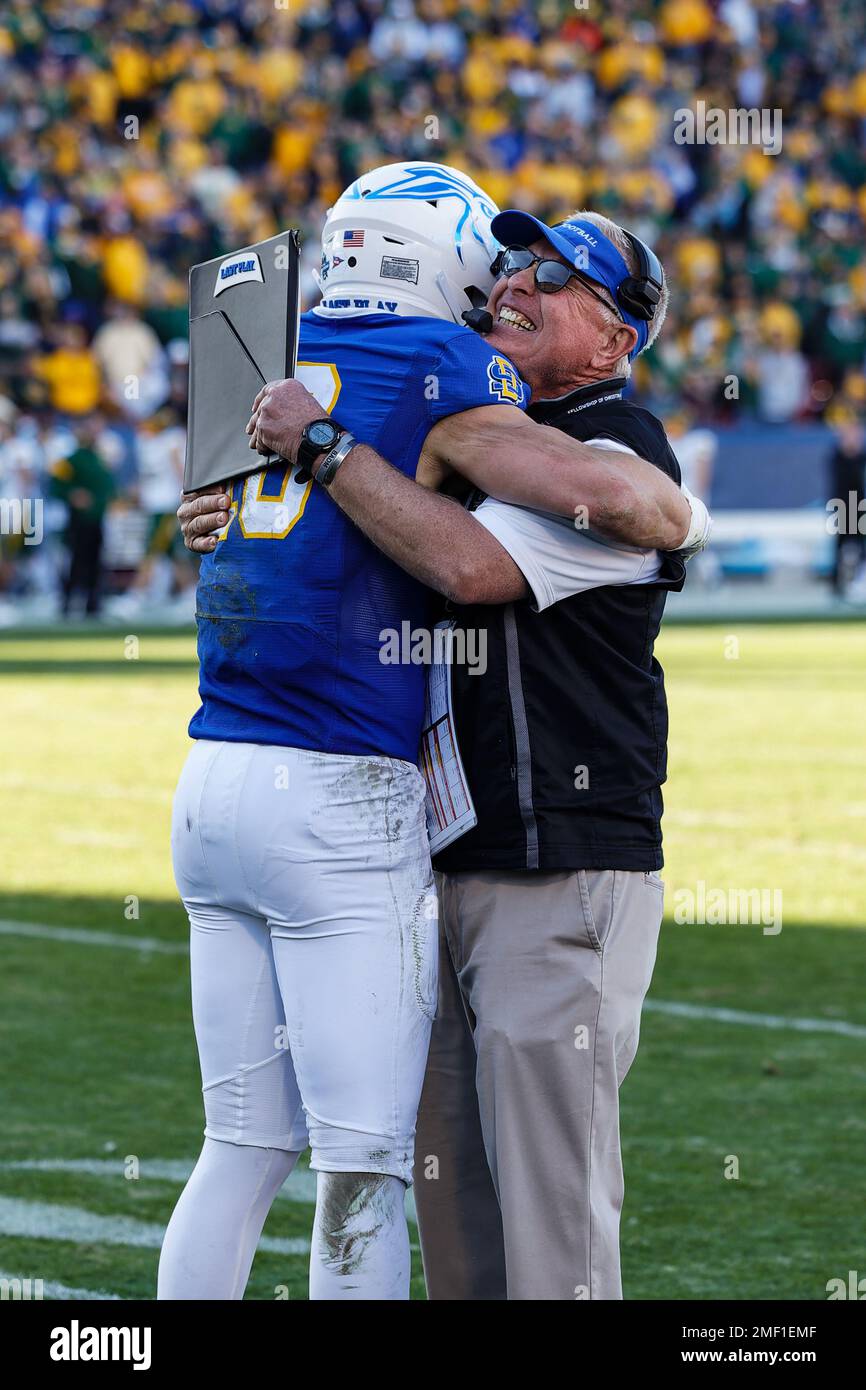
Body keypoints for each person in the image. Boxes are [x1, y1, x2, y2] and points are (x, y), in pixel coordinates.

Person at [161, 161, 697, 1304]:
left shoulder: (607, 441)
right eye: (513, 261)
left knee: (507, 1208)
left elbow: (479, 557)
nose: (517, 281)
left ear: (613, 342)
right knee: (418, 1188)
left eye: (559, 277)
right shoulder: (454, 402)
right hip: (419, 845)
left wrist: (678, 511)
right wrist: (221, 505)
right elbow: (370, 515)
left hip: (549, 855)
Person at [48, 414, 116, 617]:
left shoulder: (99, 459)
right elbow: (57, 486)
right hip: (77, 521)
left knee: (94, 562)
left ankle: (92, 604)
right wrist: (73, 494)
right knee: (74, 561)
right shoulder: (70, 460)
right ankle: (68, 602)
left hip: (96, 519)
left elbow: (108, 487)